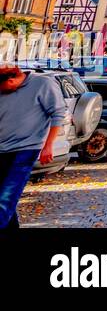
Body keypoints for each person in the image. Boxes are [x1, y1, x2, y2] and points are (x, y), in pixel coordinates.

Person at [0, 63, 67, 230]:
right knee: (5, 198)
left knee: (6, 197)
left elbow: (58, 114)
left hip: (26, 148)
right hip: (2, 148)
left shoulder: (43, 83)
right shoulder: (3, 88)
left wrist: (48, 145)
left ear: (11, 80)